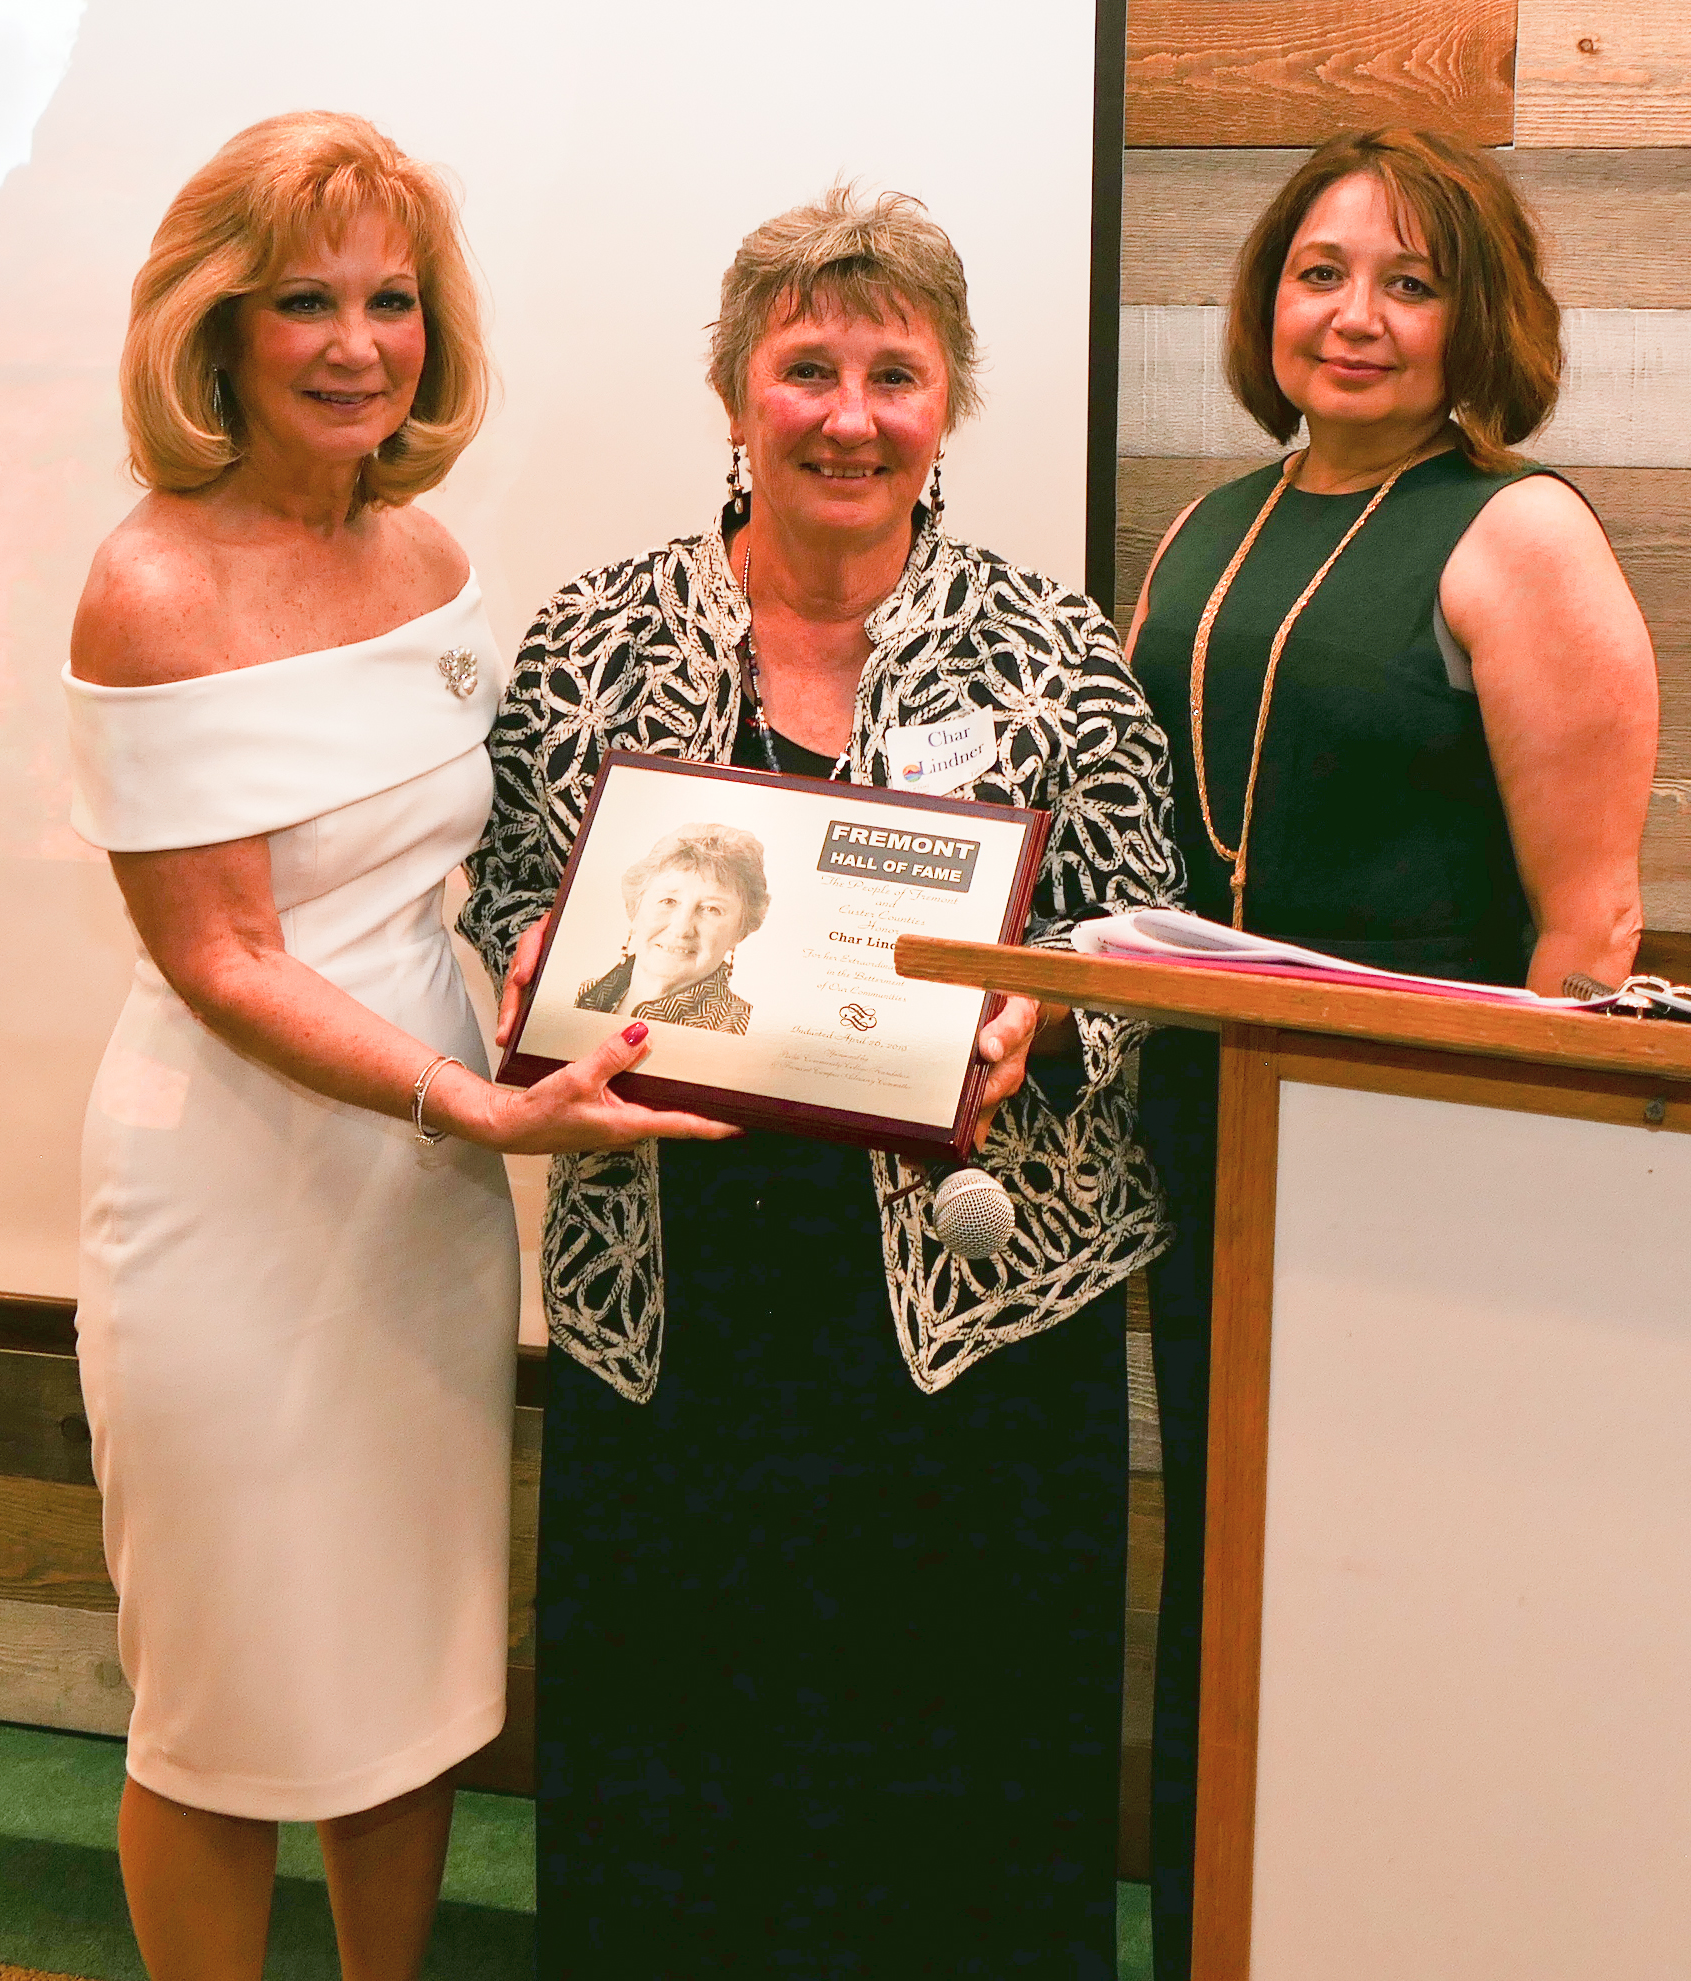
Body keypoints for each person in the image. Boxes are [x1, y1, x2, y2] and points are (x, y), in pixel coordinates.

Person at [460, 184, 1183, 1976]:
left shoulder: (1052, 648)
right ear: (733, 394)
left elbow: (1149, 938)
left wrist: (1048, 1019)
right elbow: (508, 907)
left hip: (978, 1324)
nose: (849, 414)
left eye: (894, 371)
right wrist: (535, 980)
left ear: (946, 404)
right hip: (684, 1307)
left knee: (955, 1800)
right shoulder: (589, 635)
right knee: (684, 1785)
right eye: (805, 369)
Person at [65, 112, 731, 1981]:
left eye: (392, 300)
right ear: (216, 330)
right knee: (217, 1688)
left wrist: (558, 1004)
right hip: (234, 1190)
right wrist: (476, 1101)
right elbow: (221, 957)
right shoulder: (152, 586)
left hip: (428, 1181)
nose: (359, 343)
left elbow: (480, 865)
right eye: (305, 303)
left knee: (412, 1674)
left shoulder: (427, 551)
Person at [1119, 128, 1659, 1978]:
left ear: (1472, 320)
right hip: (1209, 1125)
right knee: (1228, 1563)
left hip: (1426, 1150)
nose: (1354, 317)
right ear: (1267, 293)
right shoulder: (1205, 524)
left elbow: (1587, 930)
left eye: (1408, 283)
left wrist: (1516, 1186)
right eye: (1319, 271)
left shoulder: (1519, 528)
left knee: (1398, 1574)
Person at [574, 822, 769, 1032]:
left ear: (740, 931)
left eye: (711, 909)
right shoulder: (580, 995)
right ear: (635, 910)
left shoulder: (743, 1028)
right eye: (668, 901)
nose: (682, 929)